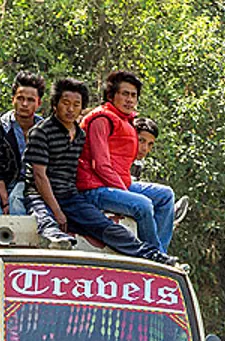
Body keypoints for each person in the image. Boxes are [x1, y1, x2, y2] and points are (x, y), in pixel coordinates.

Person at [23, 77, 175, 264]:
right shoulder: (42, 132)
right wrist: (57, 210)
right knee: (48, 224)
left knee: (107, 228)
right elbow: (39, 176)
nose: (70, 109)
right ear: (55, 104)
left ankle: (153, 254)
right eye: (65, 103)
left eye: (76, 105)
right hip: (43, 195)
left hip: (70, 196)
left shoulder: (79, 135)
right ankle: (57, 243)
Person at [76, 71, 177, 253]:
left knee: (165, 195)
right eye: (125, 94)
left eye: (133, 95)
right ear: (111, 96)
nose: (130, 100)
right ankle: (153, 253)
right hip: (95, 189)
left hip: (117, 184)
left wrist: (125, 189)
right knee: (143, 204)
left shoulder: (125, 120)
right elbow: (100, 165)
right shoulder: (101, 119)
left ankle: (161, 250)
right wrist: (126, 193)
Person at [0, 72, 45, 215]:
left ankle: (20, 231)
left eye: (30, 100)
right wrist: (4, 200)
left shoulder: (45, 129)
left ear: (39, 103)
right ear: (13, 99)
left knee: (17, 199)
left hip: (32, 185)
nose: (24, 104)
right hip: (3, 184)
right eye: (20, 98)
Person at [131, 116, 189, 224]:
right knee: (166, 194)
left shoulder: (138, 162)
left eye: (150, 144)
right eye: (141, 141)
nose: (145, 148)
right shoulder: (120, 154)